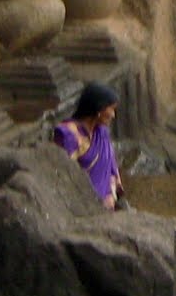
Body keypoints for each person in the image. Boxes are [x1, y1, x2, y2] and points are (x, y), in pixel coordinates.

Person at [53, 81, 124, 209]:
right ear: (99, 109)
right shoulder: (68, 135)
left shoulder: (101, 132)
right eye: (111, 109)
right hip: (80, 205)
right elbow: (61, 174)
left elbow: (110, 163)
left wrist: (112, 191)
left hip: (107, 204)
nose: (113, 115)